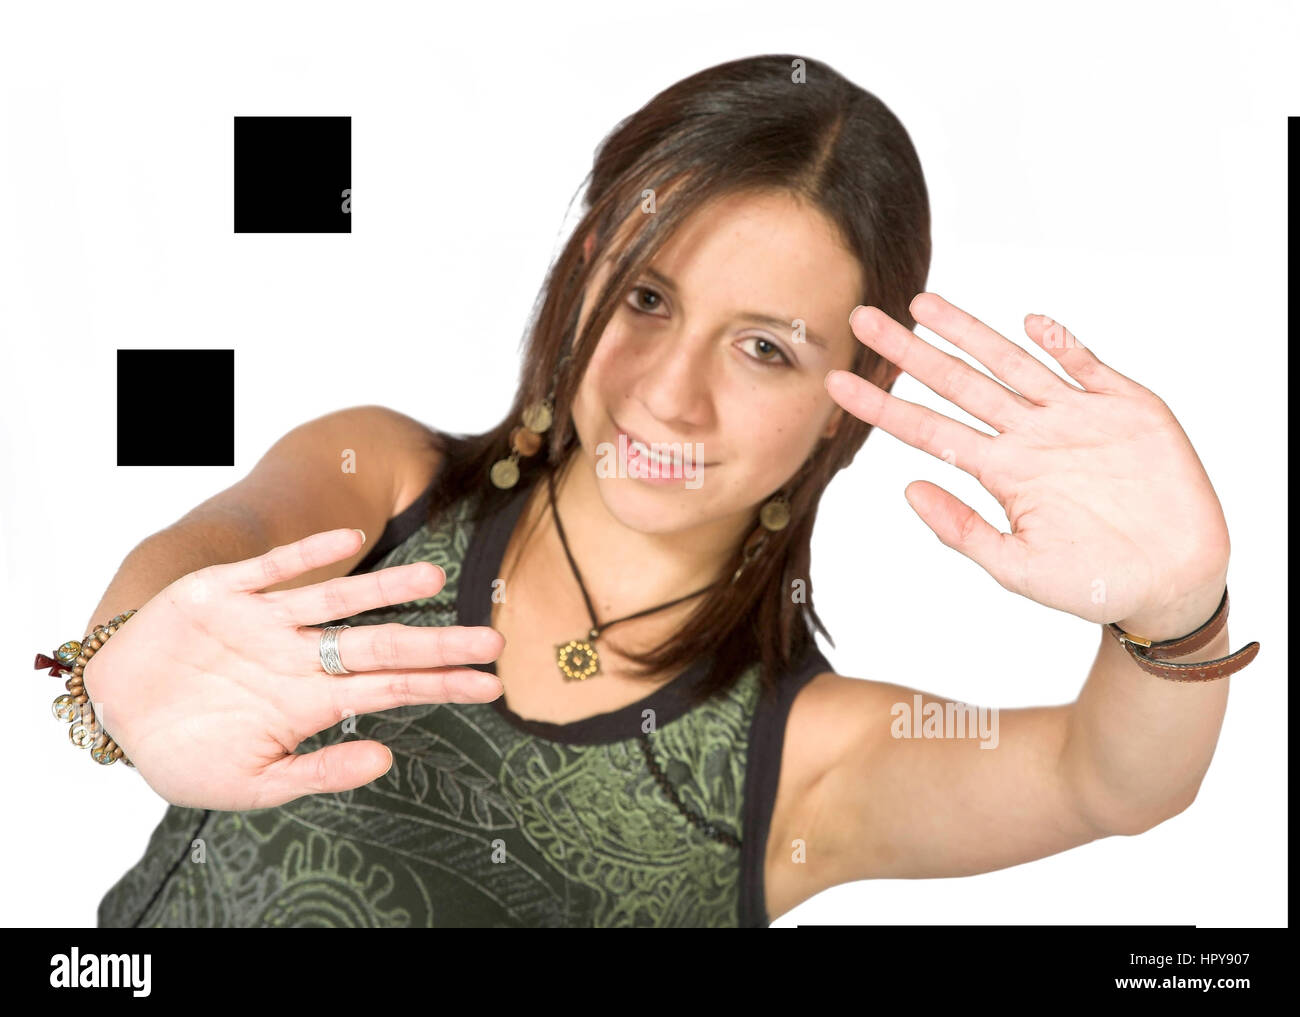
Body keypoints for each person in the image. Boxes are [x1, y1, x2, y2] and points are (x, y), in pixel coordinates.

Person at [70, 54, 1256, 928]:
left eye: (765, 349)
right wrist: (126, 657)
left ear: (857, 385)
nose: (670, 398)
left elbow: (1105, 780)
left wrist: (1177, 608)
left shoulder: (803, 758)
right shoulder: (381, 483)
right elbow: (220, 548)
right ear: (588, 269)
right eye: (649, 299)